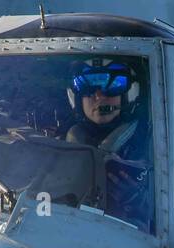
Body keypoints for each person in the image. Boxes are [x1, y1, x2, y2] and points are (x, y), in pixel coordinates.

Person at [63, 58, 151, 226]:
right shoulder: (61, 147)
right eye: (87, 86)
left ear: (130, 93)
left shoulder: (155, 146)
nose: (99, 95)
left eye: (114, 84)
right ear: (76, 97)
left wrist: (140, 203)